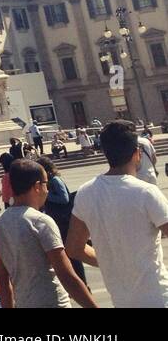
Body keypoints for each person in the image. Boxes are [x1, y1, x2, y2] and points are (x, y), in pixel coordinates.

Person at [67, 119, 168, 307]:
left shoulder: (86, 193)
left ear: (105, 152)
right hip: (157, 297)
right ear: (137, 153)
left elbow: (74, 247)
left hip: (121, 300)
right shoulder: (146, 192)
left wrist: (110, 261)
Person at [0, 159, 97, 308]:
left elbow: (2, 280)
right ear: (37, 186)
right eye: (45, 184)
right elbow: (66, 274)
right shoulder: (40, 221)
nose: (47, 190)